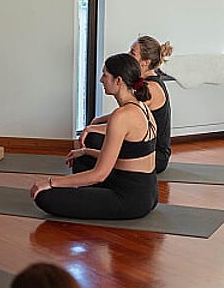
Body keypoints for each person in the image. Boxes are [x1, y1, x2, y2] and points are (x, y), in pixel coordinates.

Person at [31, 53, 158, 219]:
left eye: (105, 75)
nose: (101, 80)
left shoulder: (121, 116)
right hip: (148, 191)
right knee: (82, 159)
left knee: (44, 197)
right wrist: (85, 151)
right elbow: (126, 159)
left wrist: (51, 182)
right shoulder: (143, 107)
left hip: (129, 199)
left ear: (118, 80)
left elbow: (100, 175)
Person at [78, 36, 174, 174]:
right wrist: (98, 121)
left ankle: (102, 173)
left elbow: (126, 120)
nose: (128, 54)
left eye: (132, 53)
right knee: (91, 144)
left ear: (145, 62)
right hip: (141, 144)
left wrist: (92, 128)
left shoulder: (151, 88)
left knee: (92, 138)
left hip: (154, 155)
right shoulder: (143, 84)